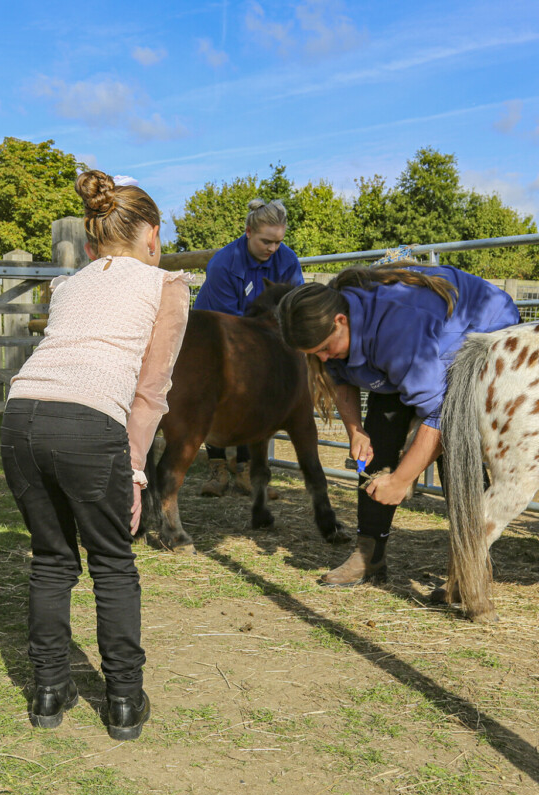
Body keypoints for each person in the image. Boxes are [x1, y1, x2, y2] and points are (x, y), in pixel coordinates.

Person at [1, 170, 190, 741]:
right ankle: (125, 699)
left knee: (52, 559)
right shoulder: (167, 285)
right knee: (112, 561)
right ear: (152, 236)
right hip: (87, 420)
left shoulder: (69, 285)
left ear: (90, 244)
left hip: (20, 416)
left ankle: (50, 690)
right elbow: (152, 392)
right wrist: (133, 470)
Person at [277, 264, 520, 587]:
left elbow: (440, 417)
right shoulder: (336, 322)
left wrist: (402, 479)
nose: (321, 358)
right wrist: (355, 430)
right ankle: (369, 555)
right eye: (313, 354)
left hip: (482, 327)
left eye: (323, 348)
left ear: (341, 321)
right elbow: (339, 375)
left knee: (456, 448)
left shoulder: (398, 332)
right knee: (378, 434)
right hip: (411, 348)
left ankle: (473, 560)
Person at [193, 199, 304, 496]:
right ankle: (218, 467)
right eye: (266, 241)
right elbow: (228, 323)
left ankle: (249, 472)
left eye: (278, 242)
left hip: (264, 334)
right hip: (218, 333)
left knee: (264, 398)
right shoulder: (223, 264)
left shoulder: (288, 261)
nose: (272, 249)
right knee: (216, 392)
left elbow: (293, 307)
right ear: (248, 232)